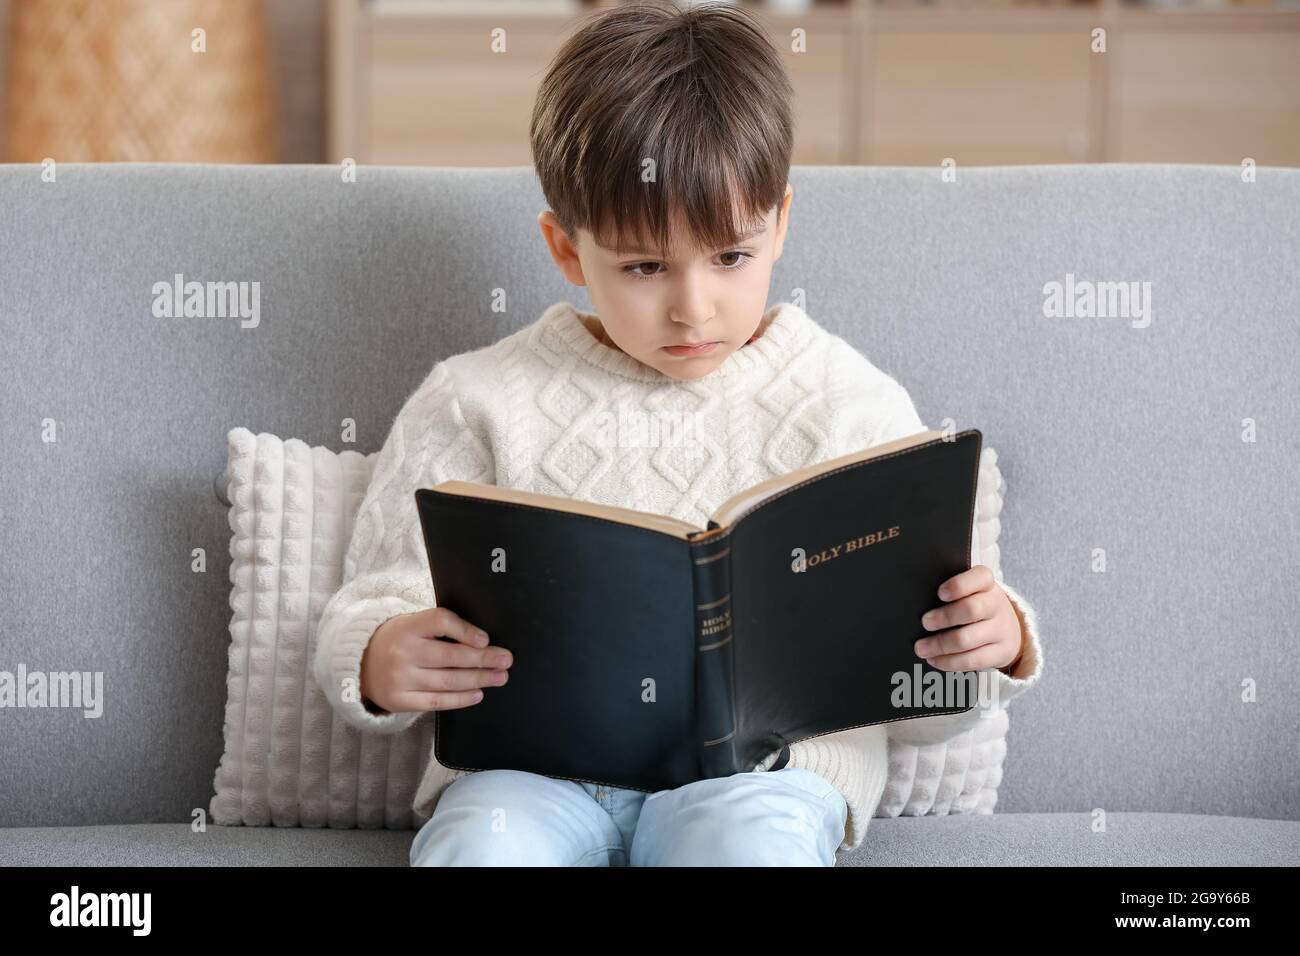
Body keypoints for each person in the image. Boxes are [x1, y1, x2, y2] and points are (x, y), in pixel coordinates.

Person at [314, 0, 1043, 867]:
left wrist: (988, 645)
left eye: (730, 257)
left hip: (764, 776)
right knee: (481, 849)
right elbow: (372, 601)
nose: (693, 307)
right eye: (644, 267)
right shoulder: (475, 399)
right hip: (529, 776)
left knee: (746, 849)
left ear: (779, 222)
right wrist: (377, 657)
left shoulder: (852, 401)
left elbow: (923, 705)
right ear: (565, 249)